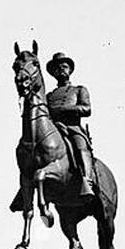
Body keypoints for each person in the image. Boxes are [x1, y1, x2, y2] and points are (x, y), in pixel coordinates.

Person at [45, 52, 97, 198]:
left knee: (80, 146)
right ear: (53, 73)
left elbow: (86, 109)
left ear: (70, 70)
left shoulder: (79, 90)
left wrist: (64, 110)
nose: (61, 69)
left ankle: (87, 181)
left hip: (73, 128)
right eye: (57, 68)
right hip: (54, 129)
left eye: (64, 66)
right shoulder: (49, 96)